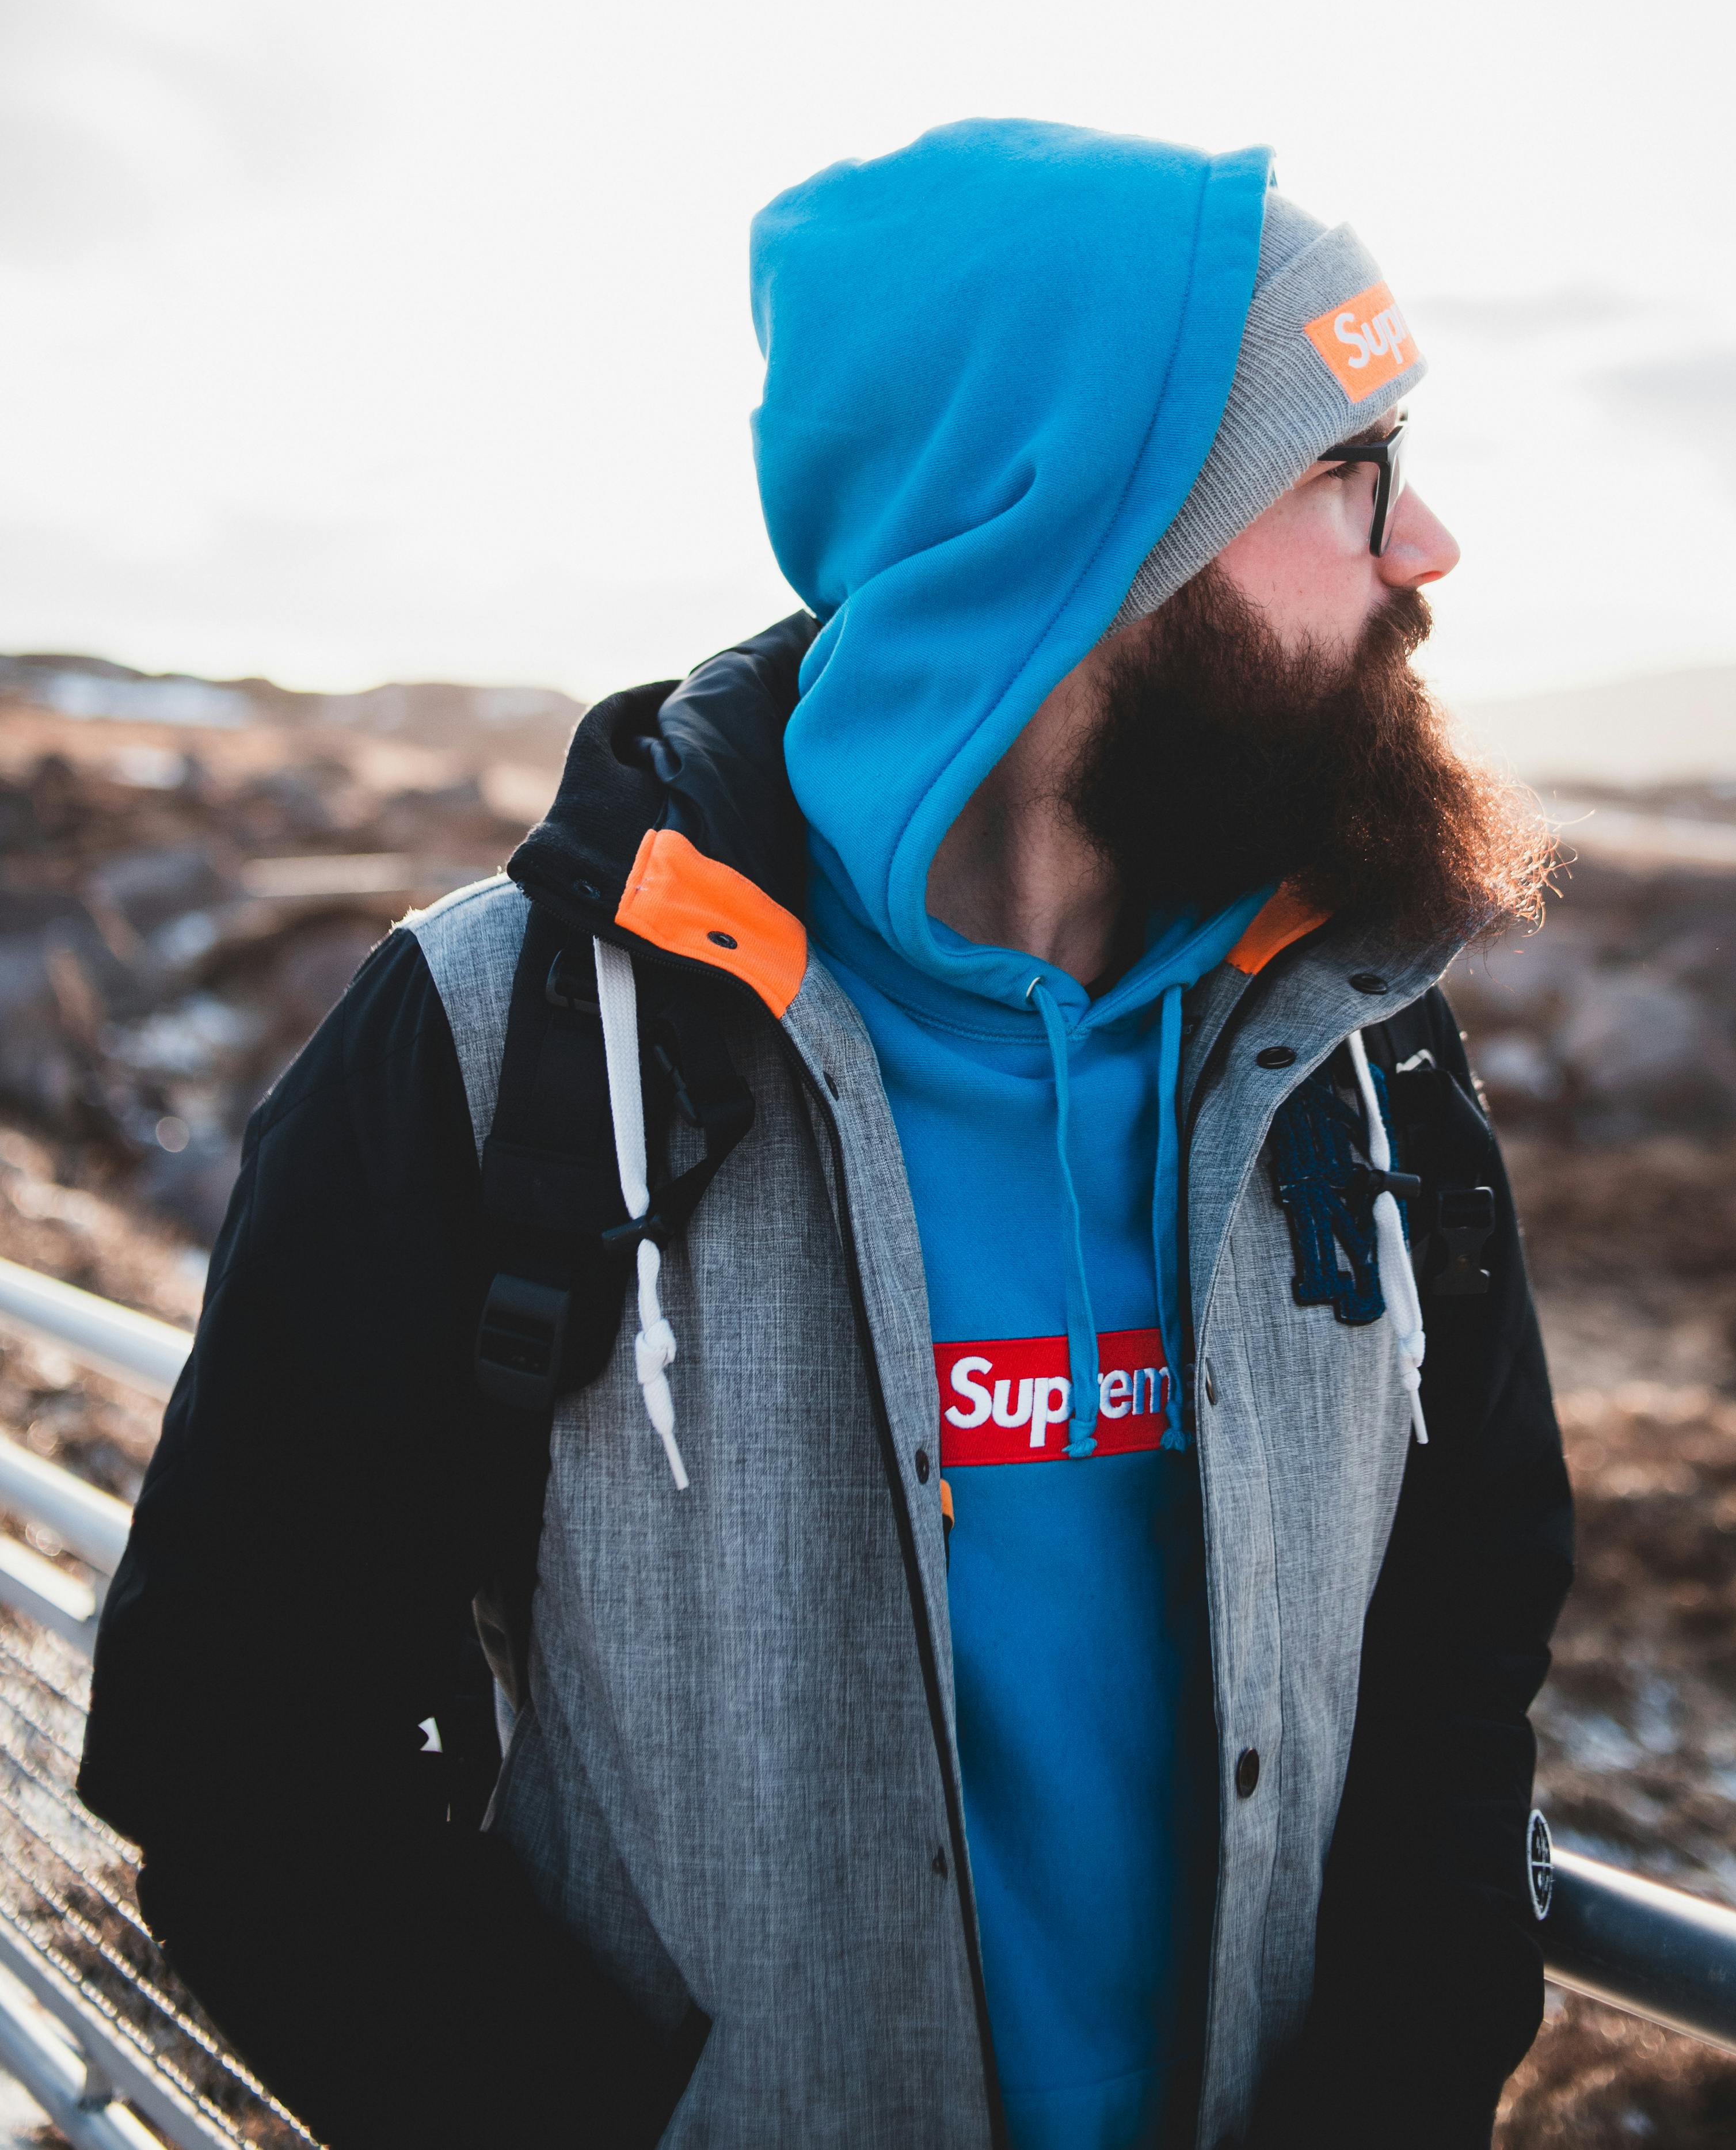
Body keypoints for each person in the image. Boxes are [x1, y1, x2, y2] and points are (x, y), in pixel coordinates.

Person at [80, 119, 1572, 2150]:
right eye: (1351, 466)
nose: (1430, 546)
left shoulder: (1358, 1043)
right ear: (1086, 534)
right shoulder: (496, 1041)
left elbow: (1467, 1635)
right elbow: (240, 1747)